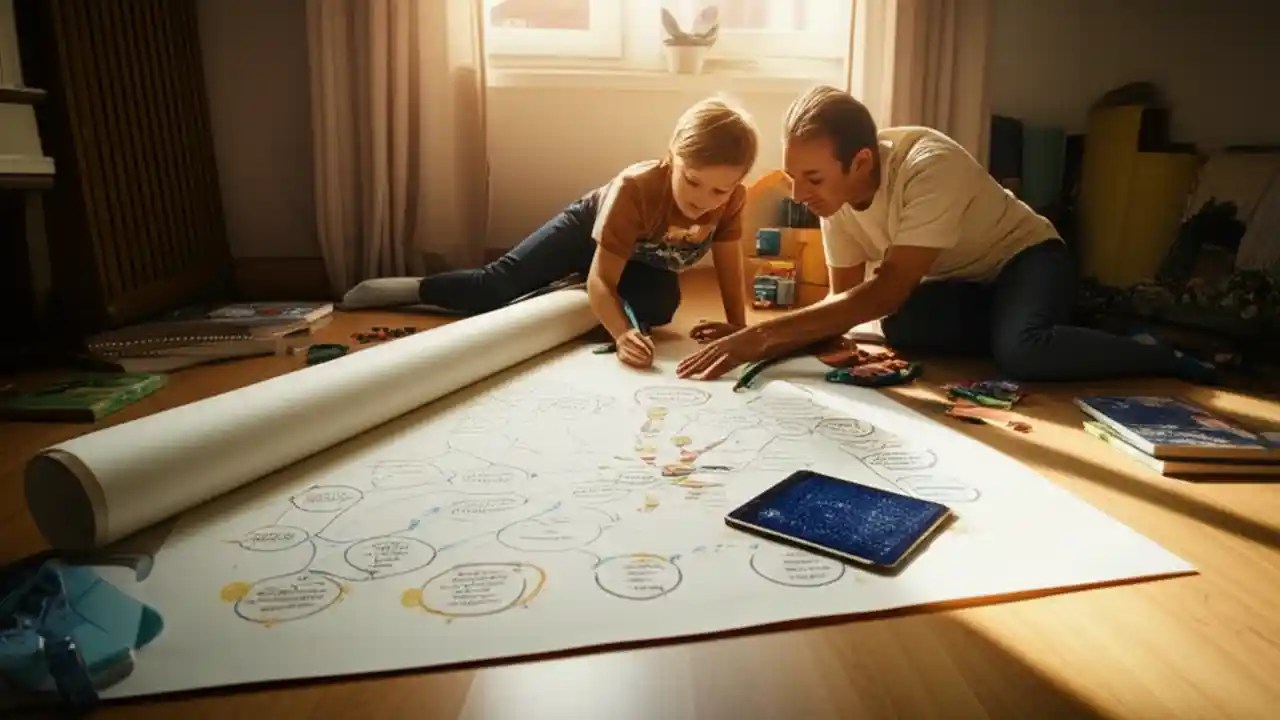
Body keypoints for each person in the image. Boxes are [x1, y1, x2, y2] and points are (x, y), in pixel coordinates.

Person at [677, 85, 1217, 384]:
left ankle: (1152, 351)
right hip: (958, 282)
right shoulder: (832, 196)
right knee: (904, 326)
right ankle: (1054, 325)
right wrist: (748, 335)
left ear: (861, 161)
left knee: (1022, 353)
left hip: (1027, 259)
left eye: (812, 178)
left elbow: (885, 288)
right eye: (794, 176)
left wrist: (760, 336)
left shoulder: (930, 165)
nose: (799, 193)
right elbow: (846, 304)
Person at [341, 96, 758, 369]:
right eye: (692, 181)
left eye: (719, 190)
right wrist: (622, 335)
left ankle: (562, 291)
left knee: (661, 306)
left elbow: (727, 264)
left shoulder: (731, 200)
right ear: (672, 157)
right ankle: (411, 288)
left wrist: (739, 326)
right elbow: (602, 280)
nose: (703, 199)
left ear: (737, 183)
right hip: (585, 233)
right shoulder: (635, 189)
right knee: (494, 289)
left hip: (640, 259)